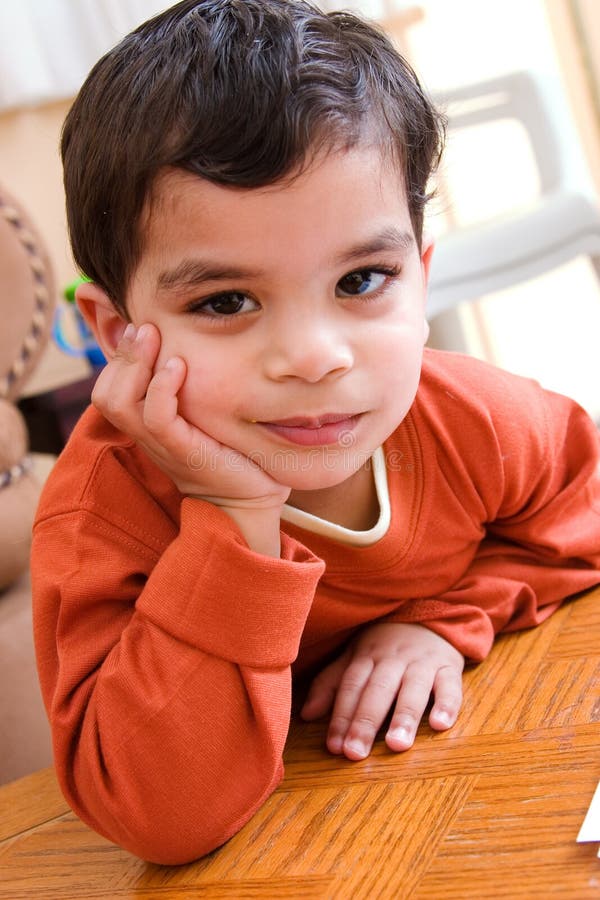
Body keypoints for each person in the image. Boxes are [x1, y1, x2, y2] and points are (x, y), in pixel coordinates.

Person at [31, 0, 600, 866]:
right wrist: (231, 513)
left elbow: (582, 510)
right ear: (118, 334)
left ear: (421, 274)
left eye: (363, 279)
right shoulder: (103, 511)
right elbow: (161, 816)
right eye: (225, 302)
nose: (312, 356)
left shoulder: (471, 417)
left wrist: (444, 622)